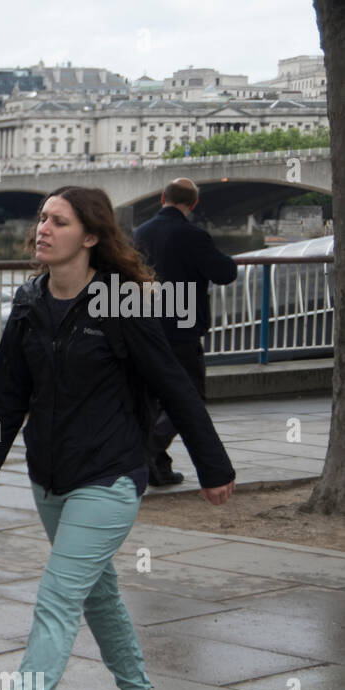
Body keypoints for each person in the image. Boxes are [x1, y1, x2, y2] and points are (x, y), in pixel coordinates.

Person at [0, 186, 236, 690]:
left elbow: (174, 384)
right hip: (49, 478)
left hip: (109, 477)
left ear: (89, 237)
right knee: (97, 591)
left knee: (58, 598)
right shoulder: (30, 301)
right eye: (40, 219)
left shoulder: (121, 304)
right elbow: (8, 391)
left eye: (57, 221)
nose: (42, 228)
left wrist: (213, 466)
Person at [132, 178, 237, 485]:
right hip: (181, 328)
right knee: (189, 397)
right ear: (192, 204)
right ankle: (146, 450)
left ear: (163, 197)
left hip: (146, 324)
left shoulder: (139, 233)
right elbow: (224, 273)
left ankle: (158, 469)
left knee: (152, 399)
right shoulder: (193, 235)